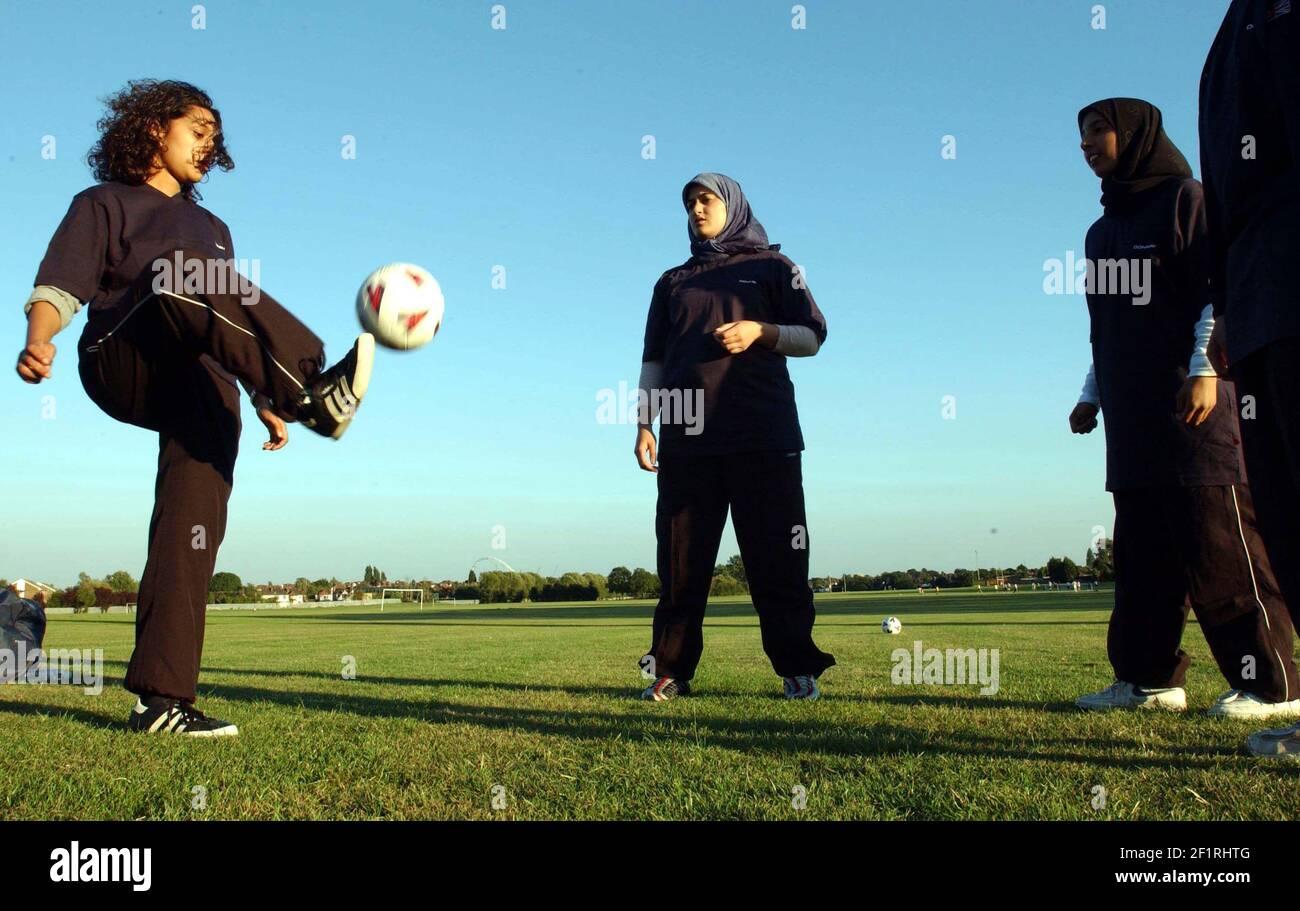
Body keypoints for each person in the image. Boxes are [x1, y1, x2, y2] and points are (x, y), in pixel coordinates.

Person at [14, 79, 374, 736]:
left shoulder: (214, 228)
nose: (210, 144)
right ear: (153, 128)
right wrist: (40, 339)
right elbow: (62, 280)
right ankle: (311, 388)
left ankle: (161, 698)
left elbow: (227, 318)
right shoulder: (103, 203)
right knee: (181, 271)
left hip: (202, 379)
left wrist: (264, 396)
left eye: (217, 137)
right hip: (121, 352)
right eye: (197, 128)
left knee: (193, 527)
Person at [1069, 98, 1299, 717]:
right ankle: (1149, 680)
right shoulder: (1100, 231)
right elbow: (1104, 327)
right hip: (1131, 416)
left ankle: (1271, 686)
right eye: (1080, 134)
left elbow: (1213, 292)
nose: (1086, 143)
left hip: (1195, 408)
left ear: (1137, 134)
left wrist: (1203, 370)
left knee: (1219, 543)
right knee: (1142, 556)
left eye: (1098, 130)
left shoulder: (1187, 200)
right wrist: (1091, 395)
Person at [635, 172, 834, 701]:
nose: (697, 210)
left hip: (763, 435)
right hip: (688, 440)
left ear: (733, 206)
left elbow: (813, 336)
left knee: (778, 559)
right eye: (690, 203)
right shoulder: (671, 282)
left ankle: (796, 669)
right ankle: (672, 671)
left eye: (707, 200)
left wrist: (761, 332)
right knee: (680, 566)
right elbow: (653, 359)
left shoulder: (773, 267)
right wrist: (643, 423)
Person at [1201, 0, 1300, 759]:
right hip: (1263, 296)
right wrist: (1230, 308)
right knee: (1287, 508)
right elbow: (1234, 190)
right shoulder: (1236, 25)